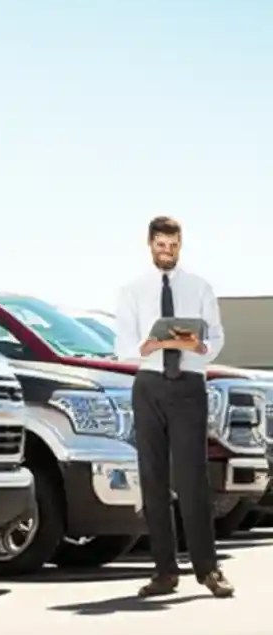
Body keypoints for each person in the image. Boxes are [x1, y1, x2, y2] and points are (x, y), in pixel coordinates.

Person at [114, 216, 233, 598]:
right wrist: (146, 347)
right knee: (153, 479)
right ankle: (164, 572)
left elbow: (216, 335)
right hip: (148, 385)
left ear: (181, 245)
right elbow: (122, 347)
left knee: (192, 479)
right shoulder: (133, 291)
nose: (167, 252)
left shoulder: (199, 287)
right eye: (161, 245)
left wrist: (202, 349)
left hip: (188, 385)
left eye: (174, 246)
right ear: (150, 244)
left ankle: (209, 570)